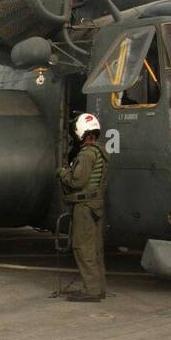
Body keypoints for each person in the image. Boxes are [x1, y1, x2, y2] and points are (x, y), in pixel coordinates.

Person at [56, 112, 109, 303]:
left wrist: (63, 173)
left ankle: (91, 290)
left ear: (81, 132)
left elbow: (77, 181)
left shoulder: (86, 154)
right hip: (96, 205)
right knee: (95, 249)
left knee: (83, 247)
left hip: (85, 207)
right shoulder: (100, 151)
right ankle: (98, 288)